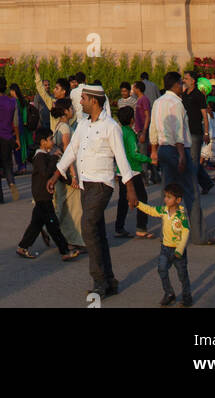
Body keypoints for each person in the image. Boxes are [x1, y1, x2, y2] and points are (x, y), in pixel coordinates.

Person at [51, 84, 138, 300]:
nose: (80, 103)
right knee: (97, 231)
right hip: (85, 184)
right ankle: (109, 280)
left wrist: (130, 188)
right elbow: (72, 150)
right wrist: (56, 174)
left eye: (84, 99)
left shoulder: (111, 127)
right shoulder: (82, 125)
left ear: (95, 101)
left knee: (88, 227)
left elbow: (121, 157)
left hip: (102, 184)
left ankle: (99, 281)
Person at [149, 71, 215, 246]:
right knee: (191, 192)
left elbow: (153, 128)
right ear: (176, 85)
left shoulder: (158, 102)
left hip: (163, 149)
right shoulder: (177, 103)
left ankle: (169, 234)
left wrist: (154, 150)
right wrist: (181, 155)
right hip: (177, 150)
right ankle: (200, 236)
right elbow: (179, 133)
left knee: (168, 194)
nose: (183, 86)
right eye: (181, 83)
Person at [16, 128, 80, 261]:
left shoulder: (46, 156)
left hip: (43, 197)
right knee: (53, 225)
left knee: (36, 224)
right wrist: (54, 158)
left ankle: (23, 247)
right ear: (42, 142)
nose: (52, 142)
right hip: (42, 196)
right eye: (50, 139)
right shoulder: (40, 157)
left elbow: (55, 174)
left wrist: (70, 181)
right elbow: (46, 173)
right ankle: (65, 251)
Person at [138, 182, 192, 308]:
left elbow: (186, 231)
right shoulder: (163, 211)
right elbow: (151, 210)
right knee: (162, 269)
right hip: (165, 248)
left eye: (169, 197)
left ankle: (186, 297)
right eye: (165, 196)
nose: (165, 199)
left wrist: (180, 249)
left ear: (178, 200)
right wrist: (138, 204)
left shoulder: (181, 216)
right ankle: (169, 293)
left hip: (178, 251)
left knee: (182, 275)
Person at [50, 101, 84, 249]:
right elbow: (67, 151)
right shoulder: (65, 128)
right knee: (74, 208)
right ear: (65, 111)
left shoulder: (58, 125)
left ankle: (62, 235)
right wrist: (73, 174)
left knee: (64, 206)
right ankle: (73, 239)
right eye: (71, 108)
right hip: (68, 172)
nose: (73, 110)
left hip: (61, 170)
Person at [114, 106, 150, 238]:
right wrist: (149, 160)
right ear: (132, 119)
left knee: (123, 200)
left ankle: (119, 227)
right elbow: (134, 154)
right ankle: (141, 227)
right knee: (142, 198)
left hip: (120, 171)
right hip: (133, 170)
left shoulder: (118, 131)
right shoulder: (129, 133)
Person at [182, 70, 214, 194]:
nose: (184, 80)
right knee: (190, 160)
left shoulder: (198, 95)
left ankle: (192, 187)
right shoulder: (184, 94)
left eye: (186, 78)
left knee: (194, 160)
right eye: (184, 78)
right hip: (185, 132)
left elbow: (204, 115)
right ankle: (207, 183)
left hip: (195, 132)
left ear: (193, 81)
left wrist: (206, 133)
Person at [9, 83, 33, 172]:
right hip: (24, 127)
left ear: (13, 91)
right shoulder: (23, 100)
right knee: (23, 146)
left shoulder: (14, 101)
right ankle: (24, 166)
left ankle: (21, 167)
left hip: (17, 126)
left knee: (17, 147)